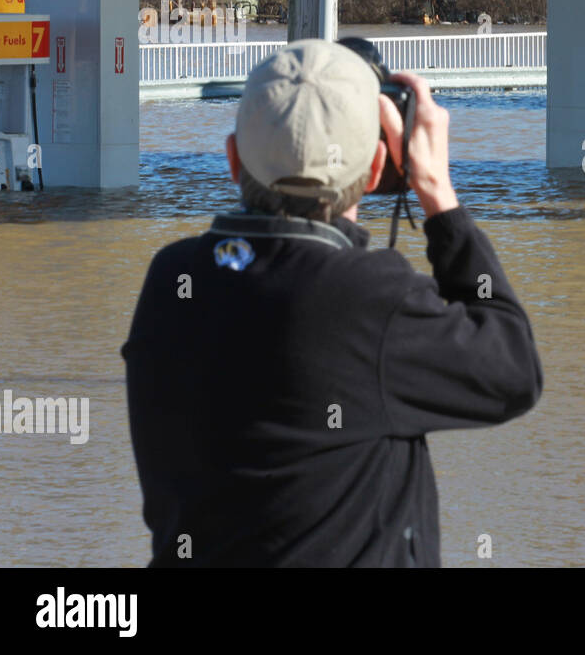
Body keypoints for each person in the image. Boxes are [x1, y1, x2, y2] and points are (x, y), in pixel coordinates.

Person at [121, 38, 542, 567]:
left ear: (232, 160)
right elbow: (513, 371)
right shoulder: (370, 299)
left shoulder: (170, 280)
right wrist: (438, 194)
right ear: (373, 170)